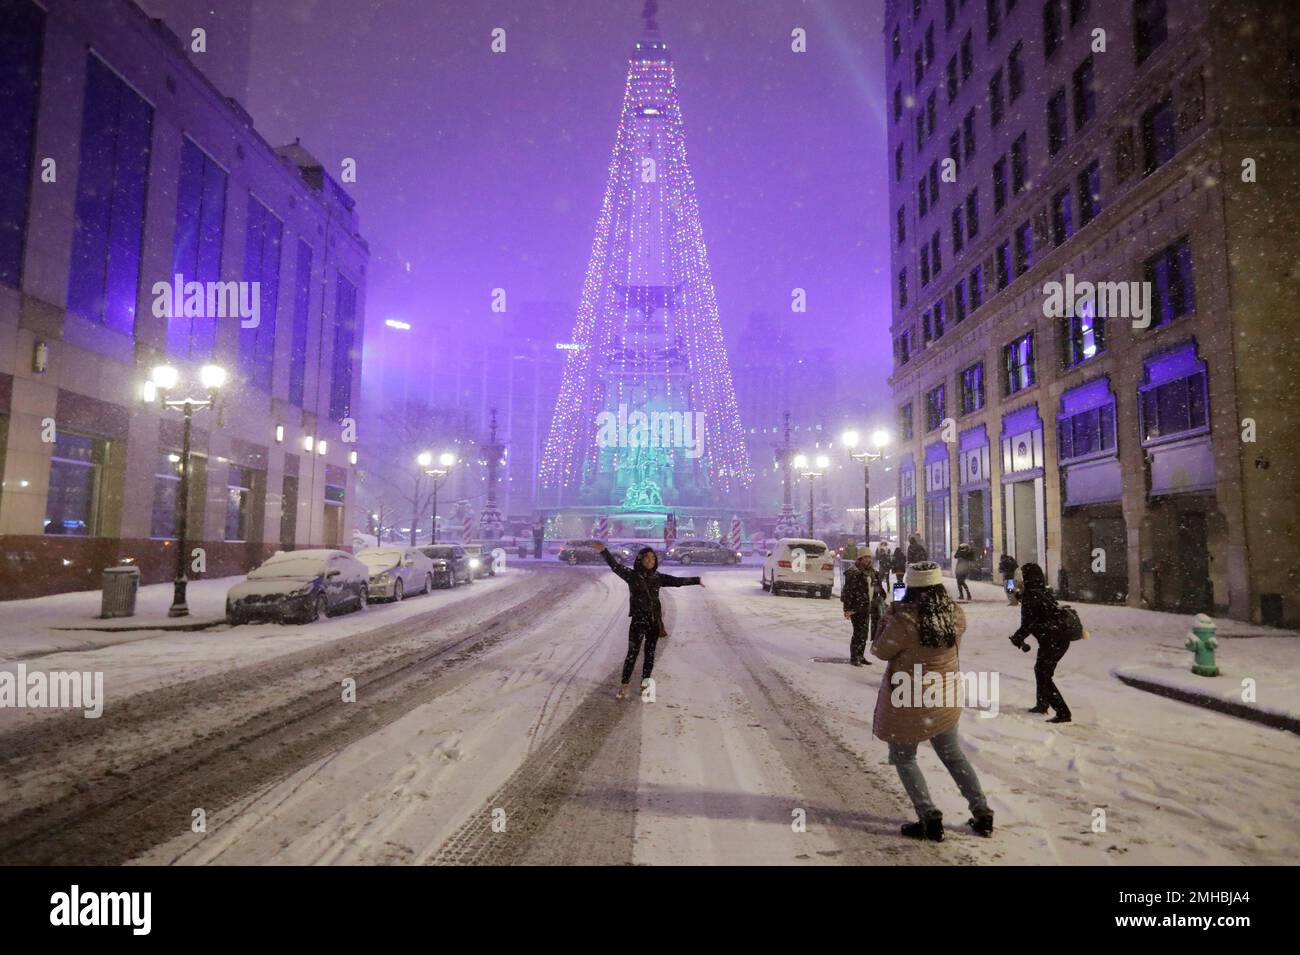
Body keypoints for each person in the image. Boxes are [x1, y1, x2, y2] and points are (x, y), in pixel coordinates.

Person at [871, 562, 993, 840]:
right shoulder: (955, 614)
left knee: (903, 757)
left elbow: (880, 650)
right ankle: (982, 812)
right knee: (953, 755)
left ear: (911, 588)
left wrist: (888, 618)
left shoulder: (904, 621)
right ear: (938, 585)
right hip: (943, 695)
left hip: (909, 697)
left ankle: (929, 817)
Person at [595, 540, 703, 700]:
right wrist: (604, 551)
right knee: (632, 653)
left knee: (650, 654)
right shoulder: (632, 576)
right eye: (647, 558)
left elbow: (677, 581)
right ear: (640, 560)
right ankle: (624, 685)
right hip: (638, 621)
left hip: (654, 622)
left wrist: (696, 580)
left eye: (653, 558)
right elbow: (615, 566)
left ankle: (645, 683)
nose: (650, 561)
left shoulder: (657, 577)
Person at [1009, 562, 1073, 723]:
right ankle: (1042, 704)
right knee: (1041, 670)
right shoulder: (1042, 592)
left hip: (1053, 639)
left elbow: (1028, 623)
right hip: (1055, 638)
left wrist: (1018, 637)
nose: (1019, 580)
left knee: (1044, 675)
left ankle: (1063, 713)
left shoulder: (1031, 596)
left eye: (1022, 577)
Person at [841, 555, 885, 666]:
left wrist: (881, 596)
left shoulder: (872, 572)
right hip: (856, 607)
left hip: (867, 606)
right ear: (860, 559)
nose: (867, 560)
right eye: (865, 558)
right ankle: (854, 657)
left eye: (869, 558)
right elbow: (848, 592)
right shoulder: (854, 573)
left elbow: (877, 588)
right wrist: (848, 609)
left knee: (864, 633)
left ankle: (860, 655)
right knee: (858, 633)